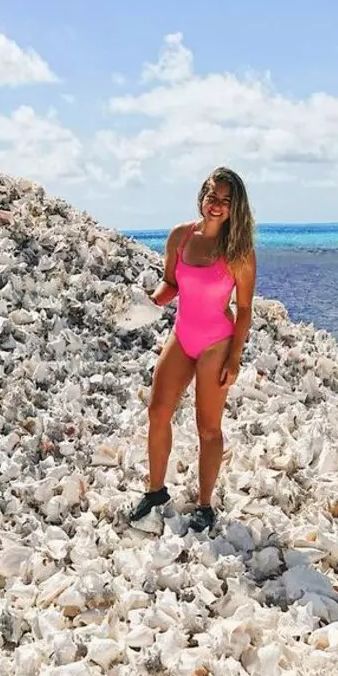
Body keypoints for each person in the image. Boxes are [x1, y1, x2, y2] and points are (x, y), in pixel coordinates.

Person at [129, 166, 257, 533]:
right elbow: (171, 284)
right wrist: (147, 305)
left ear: (235, 208)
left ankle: (205, 504)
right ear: (202, 198)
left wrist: (234, 357)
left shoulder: (239, 251)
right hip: (182, 334)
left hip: (217, 341)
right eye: (211, 197)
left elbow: (245, 309)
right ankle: (155, 491)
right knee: (157, 412)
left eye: (225, 201)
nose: (216, 206)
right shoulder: (180, 237)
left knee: (208, 428)